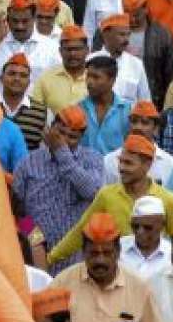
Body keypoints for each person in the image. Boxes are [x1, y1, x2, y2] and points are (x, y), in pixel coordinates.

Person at [47, 134, 173, 265]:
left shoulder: (168, 200)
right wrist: (50, 258)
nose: (121, 168)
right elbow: (80, 231)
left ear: (147, 165)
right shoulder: (107, 195)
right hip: (117, 276)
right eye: (121, 162)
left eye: (128, 163)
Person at [12, 105, 105, 271]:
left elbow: (92, 191)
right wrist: (34, 238)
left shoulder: (92, 160)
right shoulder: (29, 162)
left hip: (76, 256)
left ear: (81, 138)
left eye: (72, 137)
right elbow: (16, 206)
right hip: (36, 253)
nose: (64, 141)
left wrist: (62, 154)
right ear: (50, 128)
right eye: (60, 133)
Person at [0, 0, 61, 90]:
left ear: (34, 19)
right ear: (7, 20)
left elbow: (58, 82)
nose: (19, 26)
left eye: (25, 21)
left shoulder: (51, 47)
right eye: (15, 21)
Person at [103, 100, 173, 182]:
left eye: (145, 123)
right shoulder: (110, 161)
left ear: (156, 129)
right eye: (134, 121)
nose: (138, 127)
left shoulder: (171, 164)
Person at [76, 53, 133, 154]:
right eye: (88, 76)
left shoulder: (127, 111)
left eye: (96, 77)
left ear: (112, 80)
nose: (89, 82)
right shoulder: (78, 109)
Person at [29, 25, 92, 116]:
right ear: (60, 51)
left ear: (87, 50)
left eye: (77, 49)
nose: (72, 54)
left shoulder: (95, 78)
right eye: (68, 49)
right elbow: (35, 113)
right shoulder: (46, 79)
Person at [96, 16, 153, 105]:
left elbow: (145, 101)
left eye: (128, 35)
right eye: (122, 34)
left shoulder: (136, 64)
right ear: (106, 35)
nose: (126, 40)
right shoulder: (91, 61)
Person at [1, 53, 50, 150]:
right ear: (1, 78)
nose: (17, 79)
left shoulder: (42, 111)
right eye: (12, 74)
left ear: (29, 82)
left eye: (23, 75)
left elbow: (46, 149)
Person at [120, 195, 172, 278]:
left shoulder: (171, 254)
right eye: (135, 226)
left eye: (147, 227)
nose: (140, 232)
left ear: (162, 226)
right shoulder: (118, 249)